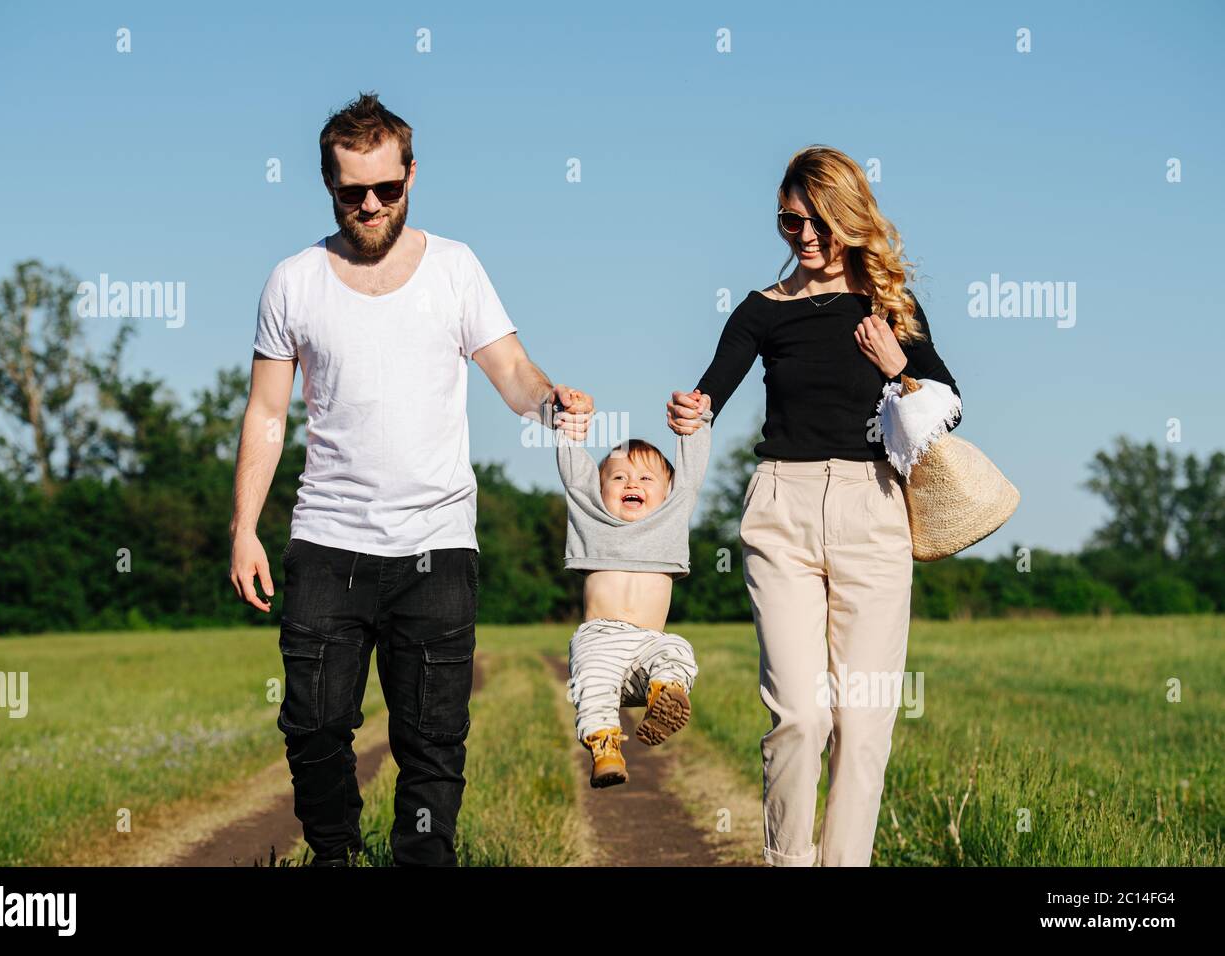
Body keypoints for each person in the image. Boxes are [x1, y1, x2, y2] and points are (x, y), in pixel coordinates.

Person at [228, 92, 591, 866]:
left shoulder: (456, 269)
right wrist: (244, 529)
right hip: (327, 539)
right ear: (328, 185)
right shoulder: (293, 280)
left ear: (411, 177)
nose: (369, 205)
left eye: (385, 189)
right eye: (351, 190)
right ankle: (335, 852)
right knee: (315, 726)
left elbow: (514, 372)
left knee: (432, 742)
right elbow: (266, 412)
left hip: (437, 547)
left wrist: (552, 402)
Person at [666, 145, 961, 866]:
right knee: (800, 717)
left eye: (821, 224)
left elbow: (950, 408)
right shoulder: (761, 312)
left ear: (851, 220)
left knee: (863, 727)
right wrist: (689, 411)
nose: (805, 239)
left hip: (874, 511)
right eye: (790, 223)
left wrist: (899, 367)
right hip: (782, 513)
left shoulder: (890, 306)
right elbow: (709, 397)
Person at [549, 389, 711, 787]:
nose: (630, 483)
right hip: (599, 638)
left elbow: (692, 469)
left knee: (678, 650)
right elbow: (573, 469)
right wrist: (567, 420)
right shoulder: (592, 517)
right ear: (599, 489)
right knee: (593, 683)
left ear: (668, 491)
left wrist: (698, 421)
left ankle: (664, 694)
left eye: (644, 477)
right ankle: (605, 748)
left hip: (648, 647)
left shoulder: (671, 518)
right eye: (618, 476)